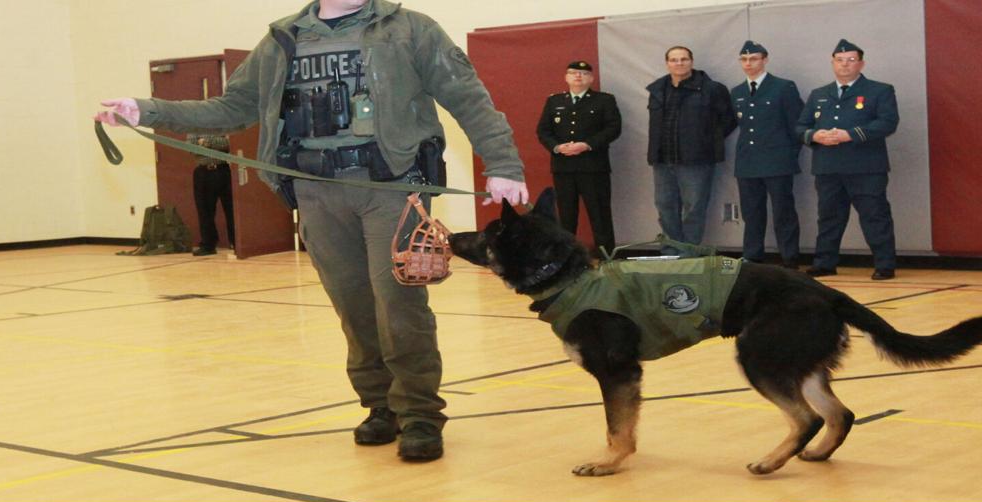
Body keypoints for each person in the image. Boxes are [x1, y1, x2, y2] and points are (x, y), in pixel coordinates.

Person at [95, 0, 528, 462]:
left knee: (399, 303)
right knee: (353, 306)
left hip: (392, 188)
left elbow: (467, 96)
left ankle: (419, 413)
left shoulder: (408, 29)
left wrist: (503, 163)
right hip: (315, 191)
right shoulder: (284, 38)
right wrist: (147, 110)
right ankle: (380, 405)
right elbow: (233, 106)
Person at [797, 39, 899, 280]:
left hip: (865, 167)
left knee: (874, 216)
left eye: (851, 60)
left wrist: (850, 135)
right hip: (828, 167)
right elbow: (801, 126)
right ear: (832, 63)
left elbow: (887, 123)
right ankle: (825, 263)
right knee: (829, 217)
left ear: (861, 64)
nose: (845, 64)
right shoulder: (819, 94)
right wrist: (815, 136)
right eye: (840, 60)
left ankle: (884, 264)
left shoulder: (879, 90)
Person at [645, 45, 736, 253]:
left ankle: (689, 253)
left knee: (694, 208)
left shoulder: (712, 89)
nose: (679, 63)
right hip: (662, 160)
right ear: (667, 63)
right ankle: (670, 251)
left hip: (696, 161)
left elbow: (729, 120)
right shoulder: (657, 89)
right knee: (665, 206)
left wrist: (705, 141)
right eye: (674, 60)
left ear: (691, 62)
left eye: (684, 59)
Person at [727, 40, 803, 268]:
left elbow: (797, 125)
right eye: (744, 59)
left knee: (783, 212)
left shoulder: (783, 87)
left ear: (765, 60)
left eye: (753, 59)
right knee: (751, 213)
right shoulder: (738, 91)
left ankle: (789, 257)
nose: (748, 63)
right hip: (748, 161)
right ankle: (752, 255)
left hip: (777, 161)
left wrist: (789, 155)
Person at [536, 60, 621, 255]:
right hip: (563, 167)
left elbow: (613, 128)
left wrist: (587, 144)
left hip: (593, 167)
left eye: (583, 73)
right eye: (573, 72)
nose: (578, 76)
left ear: (591, 78)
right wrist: (557, 147)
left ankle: (606, 258)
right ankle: (567, 258)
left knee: (599, 215)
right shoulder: (554, 101)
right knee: (566, 216)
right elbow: (543, 131)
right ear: (566, 77)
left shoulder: (604, 100)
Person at [188, 133, 235, 256]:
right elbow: (190, 146)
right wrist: (215, 142)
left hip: (222, 170)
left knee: (231, 209)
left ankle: (236, 242)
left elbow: (228, 144)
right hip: (202, 172)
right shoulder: (193, 127)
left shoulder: (221, 125)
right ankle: (208, 245)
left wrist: (204, 142)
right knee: (204, 211)